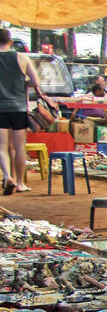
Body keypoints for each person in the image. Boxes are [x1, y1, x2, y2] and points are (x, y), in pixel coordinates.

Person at [0, 28, 57, 194]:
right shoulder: (21, 57)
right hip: (19, 107)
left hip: (0, 109)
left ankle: (6, 176)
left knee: (2, 147)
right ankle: (19, 183)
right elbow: (35, 81)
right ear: (10, 42)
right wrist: (21, 80)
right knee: (19, 146)